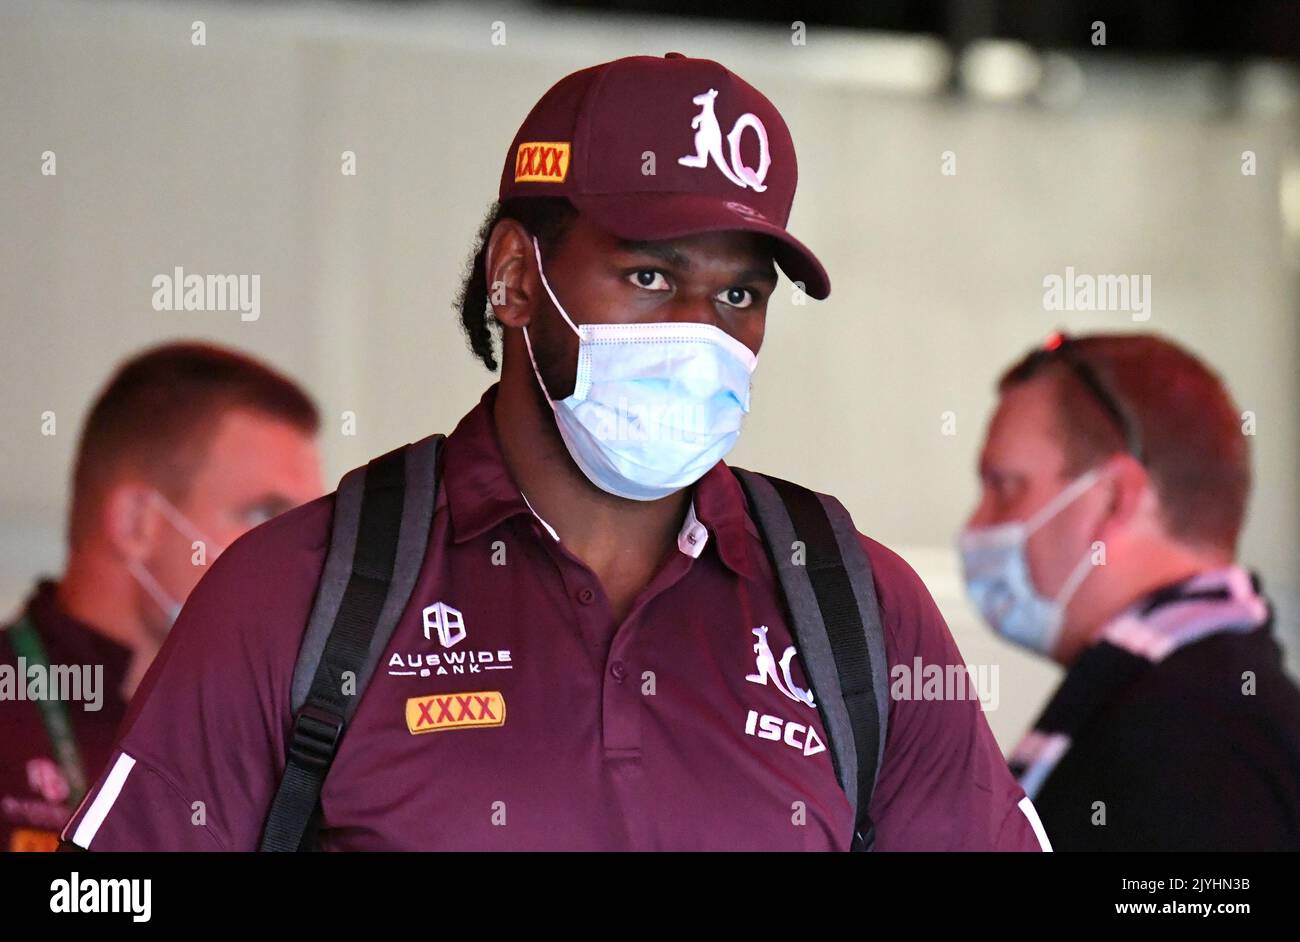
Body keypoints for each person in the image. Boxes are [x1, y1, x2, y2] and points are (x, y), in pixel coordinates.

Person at [61, 54, 1047, 851]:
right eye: (650, 274)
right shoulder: (304, 596)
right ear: (514, 279)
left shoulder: (854, 612)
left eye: (740, 295)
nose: (702, 333)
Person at [961, 330, 1300, 850]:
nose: (977, 523)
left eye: (1006, 486)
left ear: (1116, 498)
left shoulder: (1192, 744)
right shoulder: (1198, 701)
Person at [0, 342, 322, 852]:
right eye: (264, 517)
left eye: (310, 529)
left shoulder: (283, 729)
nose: (301, 557)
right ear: (136, 524)